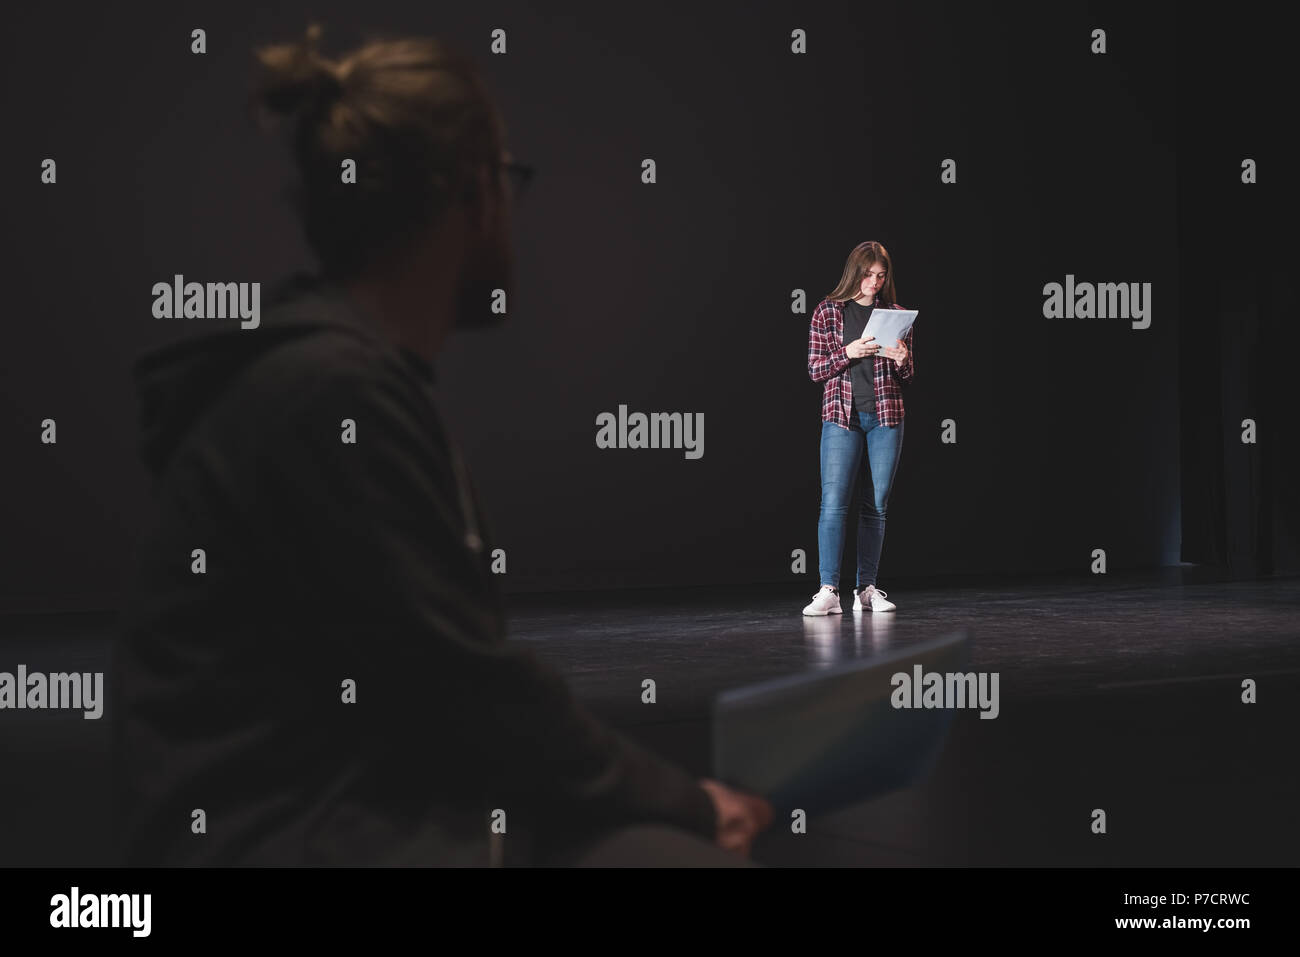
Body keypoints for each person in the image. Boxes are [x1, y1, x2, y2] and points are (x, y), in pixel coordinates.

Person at [112, 24, 772, 867]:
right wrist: (687, 801)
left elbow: (449, 687)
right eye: (507, 177)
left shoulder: (334, 379)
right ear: (473, 193)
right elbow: (470, 690)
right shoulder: (331, 393)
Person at [802, 241, 916, 616]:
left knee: (876, 505)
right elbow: (816, 370)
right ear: (855, 272)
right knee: (833, 503)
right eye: (868, 274)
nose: (874, 282)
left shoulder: (896, 313)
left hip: (886, 417)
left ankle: (866, 588)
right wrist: (847, 353)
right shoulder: (827, 312)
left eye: (881, 276)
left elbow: (908, 374)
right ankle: (828, 590)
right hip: (841, 416)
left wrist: (902, 359)